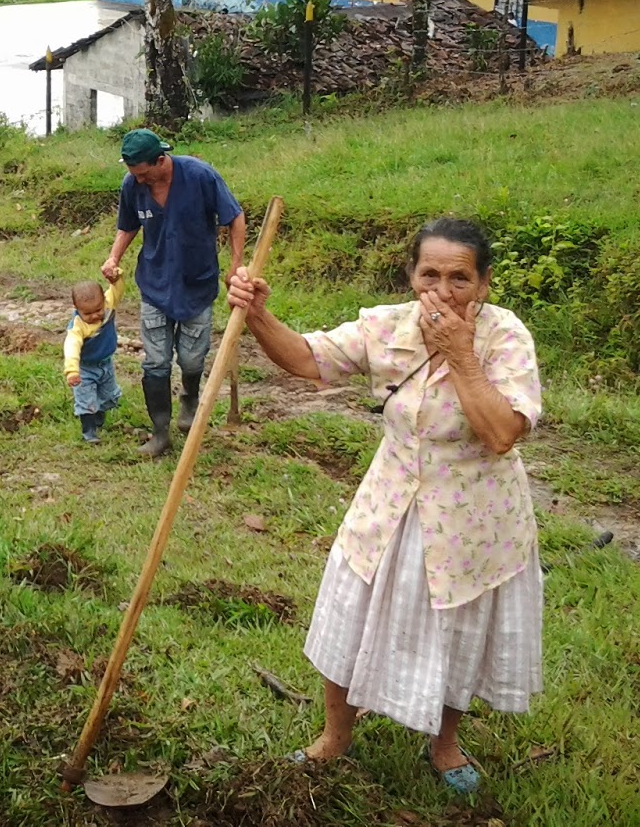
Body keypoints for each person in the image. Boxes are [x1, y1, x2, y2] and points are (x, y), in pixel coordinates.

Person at [227, 218, 543, 796]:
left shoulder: (505, 338)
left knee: (460, 629)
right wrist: (257, 314)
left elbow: (502, 433)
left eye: (459, 278)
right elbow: (307, 360)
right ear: (412, 277)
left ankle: (445, 745)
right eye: (430, 275)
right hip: (389, 504)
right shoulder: (386, 326)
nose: (443, 291)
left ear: (484, 283)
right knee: (351, 613)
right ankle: (335, 737)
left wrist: (462, 356)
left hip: (474, 520)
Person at [101, 128, 245, 458]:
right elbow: (128, 225)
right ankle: (160, 432)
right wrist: (113, 258)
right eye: (133, 174)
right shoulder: (132, 185)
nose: (138, 180)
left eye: (143, 173)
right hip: (154, 284)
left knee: (192, 358)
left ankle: (190, 399)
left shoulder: (200, 176)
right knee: (156, 361)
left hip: (197, 284)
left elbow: (235, 218)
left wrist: (236, 265)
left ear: (161, 160)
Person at [64, 273, 123, 444]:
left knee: (108, 395)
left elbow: (117, 290)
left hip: (106, 363)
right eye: (87, 313)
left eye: (98, 310)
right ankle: (88, 432)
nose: (95, 316)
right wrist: (72, 371)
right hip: (85, 368)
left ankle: (98, 420)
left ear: (103, 301)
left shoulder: (108, 306)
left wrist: (117, 278)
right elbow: (71, 347)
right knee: (85, 399)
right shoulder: (78, 327)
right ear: (76, 309)